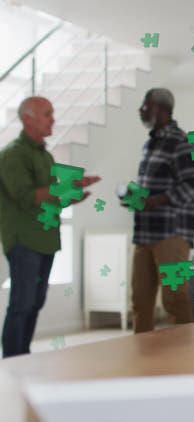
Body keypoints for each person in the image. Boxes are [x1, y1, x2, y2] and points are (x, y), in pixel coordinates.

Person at [0, 97, 100, 357]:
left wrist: (74, 191)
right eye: (47, 114)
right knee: (21, 304)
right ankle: (12, 361)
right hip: (24, 241)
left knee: (35, 303)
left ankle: (23, 355)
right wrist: (68, 188)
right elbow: (26, 196)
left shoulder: (45, 155)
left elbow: (51, 192)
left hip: (46, 240)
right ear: (27, 119)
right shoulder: (12, 154)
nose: (53, 119)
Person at [128, 88, 194, 332]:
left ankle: (181, 360)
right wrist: (137, 198)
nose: (141, 110)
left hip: (172, 235)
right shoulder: (150, 144)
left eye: (145, 105)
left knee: (174, 300)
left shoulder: (181, 142)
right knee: (140, 301)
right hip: (144, 234)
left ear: (161, 110)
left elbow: (193, 184)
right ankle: (143, 358)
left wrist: (156, 201)